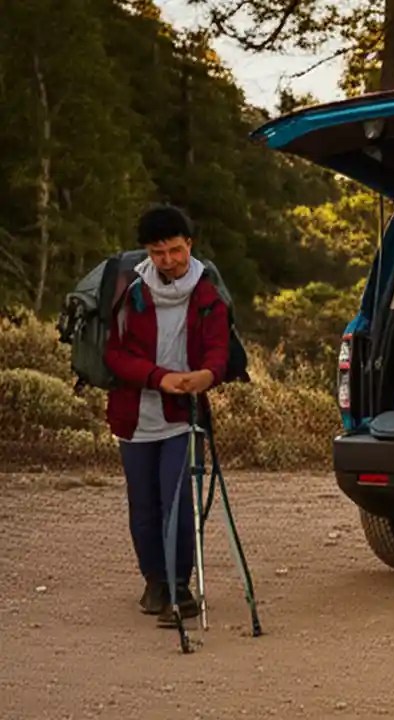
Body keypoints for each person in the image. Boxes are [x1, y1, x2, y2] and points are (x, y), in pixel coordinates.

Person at [104, 204, 230, 625]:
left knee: (177, 502)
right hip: (134, 415)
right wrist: (160, 378)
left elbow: (218, 347)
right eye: (159, 253)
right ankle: (154, 580)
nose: (169, 261)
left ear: (189, 244)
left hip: (183, 414)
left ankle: (179, 586)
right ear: (147, 252)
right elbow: (114, 355)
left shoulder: (207, 292)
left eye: (175, 250)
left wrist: (206, 375)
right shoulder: (129, 290)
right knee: (143, 506)